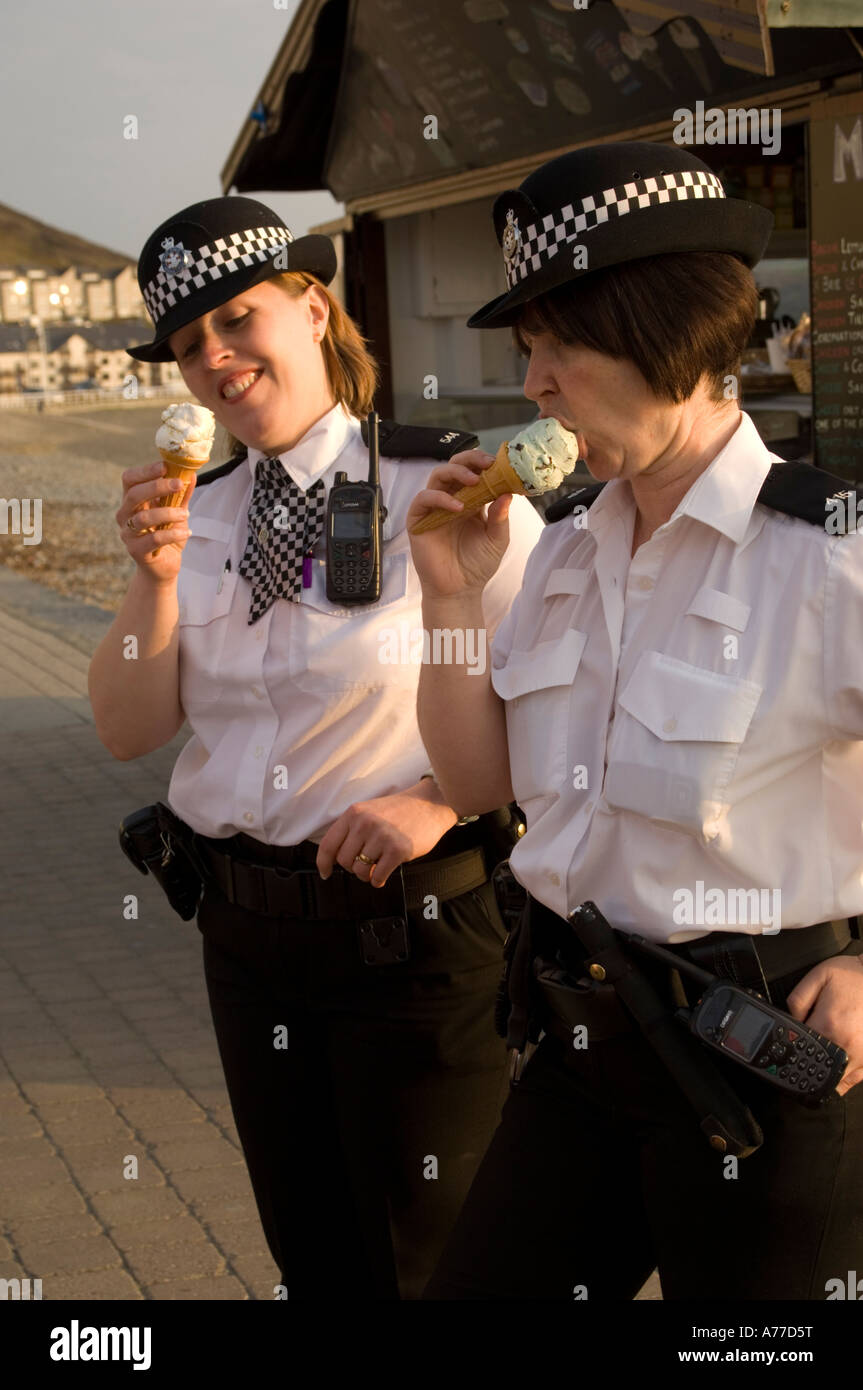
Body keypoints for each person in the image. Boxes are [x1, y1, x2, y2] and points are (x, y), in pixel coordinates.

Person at [407, 141, 863, 1301]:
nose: (535, 384)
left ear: (669, 332)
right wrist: (452, 595)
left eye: (561, 342)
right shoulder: (558, 549)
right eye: (528, 350)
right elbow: (471, 785)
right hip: (571, 1042)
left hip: (759, 1061)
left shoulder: (826, 554)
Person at [88, 195, 543, 1300]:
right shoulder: (195, 515)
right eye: (189, 346)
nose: (215, 358)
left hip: (411, 930)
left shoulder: (446, 490)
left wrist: (440, 797)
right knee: (314, 1256)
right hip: (246, 937)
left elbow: (557, 702)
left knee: (429, 1256)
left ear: (311, 306)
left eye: (237, 320)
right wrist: (152, 579)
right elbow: (128, 728)